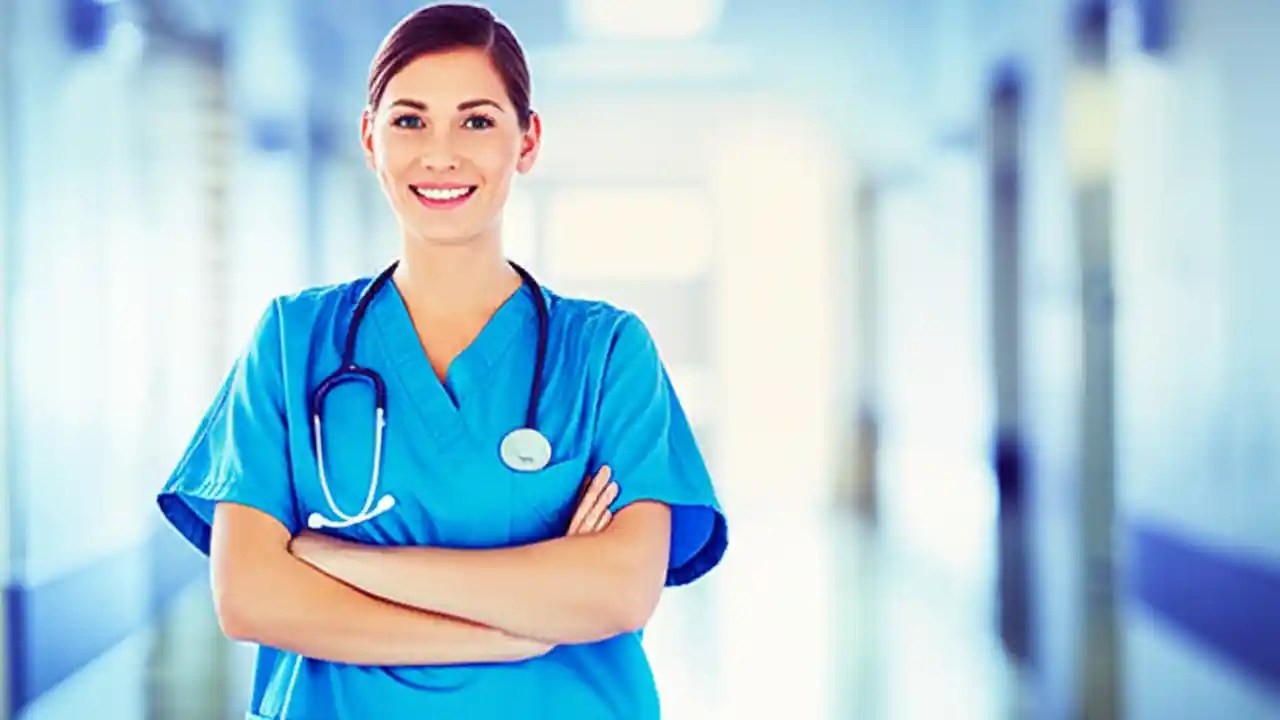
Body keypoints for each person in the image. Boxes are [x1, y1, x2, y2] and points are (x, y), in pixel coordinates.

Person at [155, 3, 728, 718]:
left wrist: (340, 558)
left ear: (527, 140)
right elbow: (249, 596)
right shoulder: (293, 341)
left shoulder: (606, 352)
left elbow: (617, 590)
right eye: (409, 120)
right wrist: (506, 632)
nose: (441, 153)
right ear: (370, 137)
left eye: (477, 121)